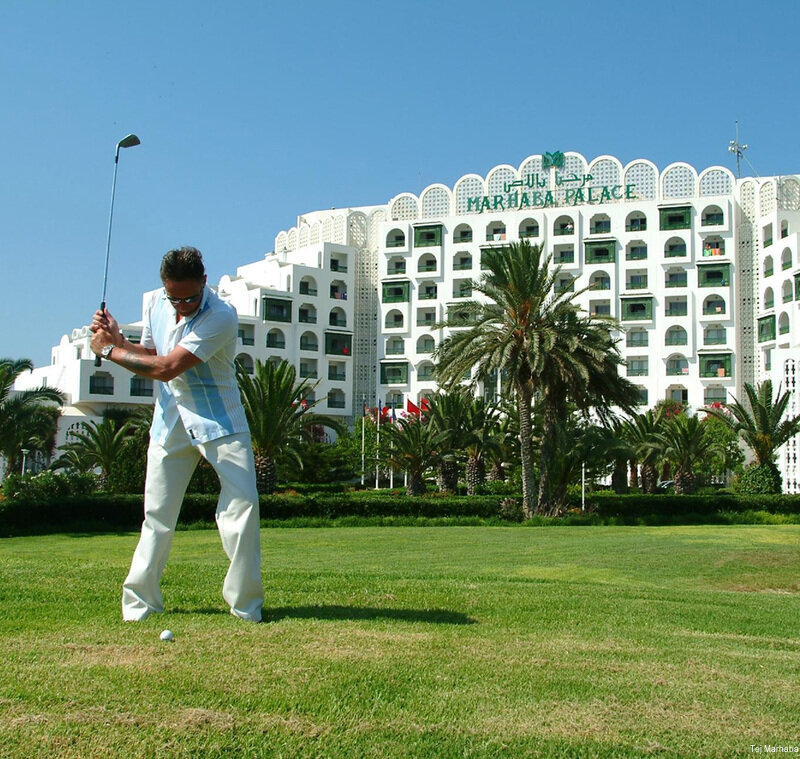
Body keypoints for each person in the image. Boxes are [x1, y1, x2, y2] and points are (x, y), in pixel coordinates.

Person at [90, 246, 263, 622]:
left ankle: (246, 607)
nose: (182, 305)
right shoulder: (156, 302)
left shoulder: (221, 315)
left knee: (243, 508)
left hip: (221, 420)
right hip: (170, 421)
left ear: (204, 281)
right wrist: (118, 341)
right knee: (157, 514)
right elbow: (151, 352)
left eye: (190, 297)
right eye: (175, 298)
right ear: (163, 288)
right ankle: (140, 604)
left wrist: (108, 351)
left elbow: (168, 367)